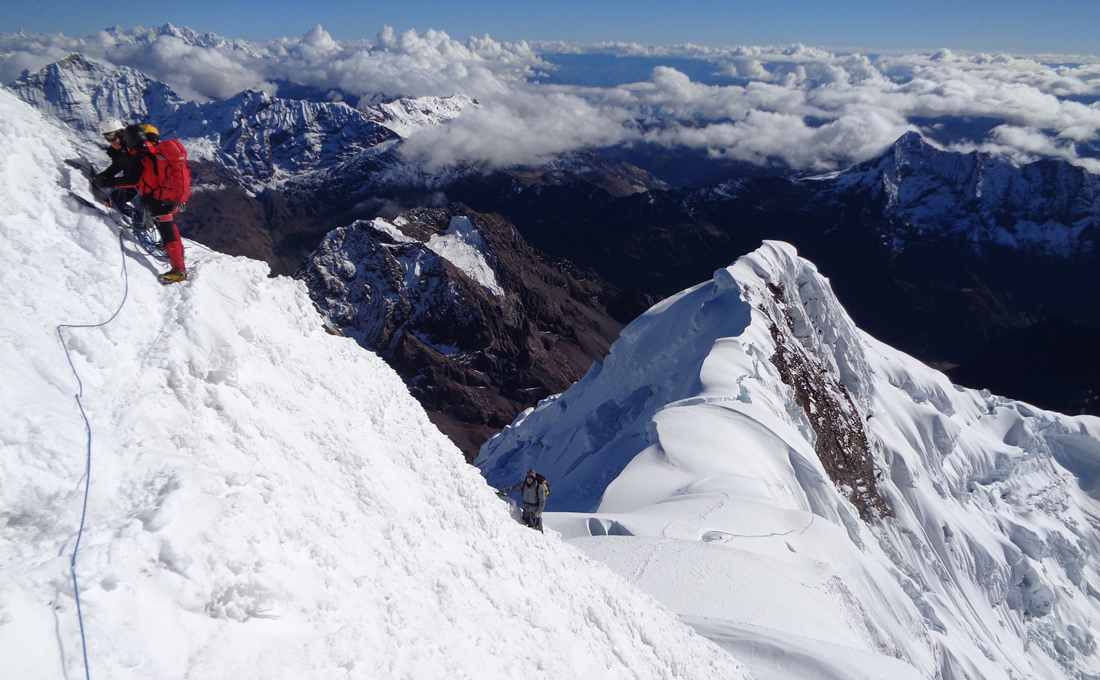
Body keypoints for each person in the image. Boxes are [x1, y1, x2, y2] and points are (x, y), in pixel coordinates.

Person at [94, 123, 188, 284]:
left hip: (159, 200)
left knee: (167, 232)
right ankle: (178, 254)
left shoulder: (144, 157)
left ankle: (179, 270)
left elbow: (134, 180)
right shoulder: (154, 153)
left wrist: (109, 182)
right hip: (166, 197)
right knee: (168, 227)